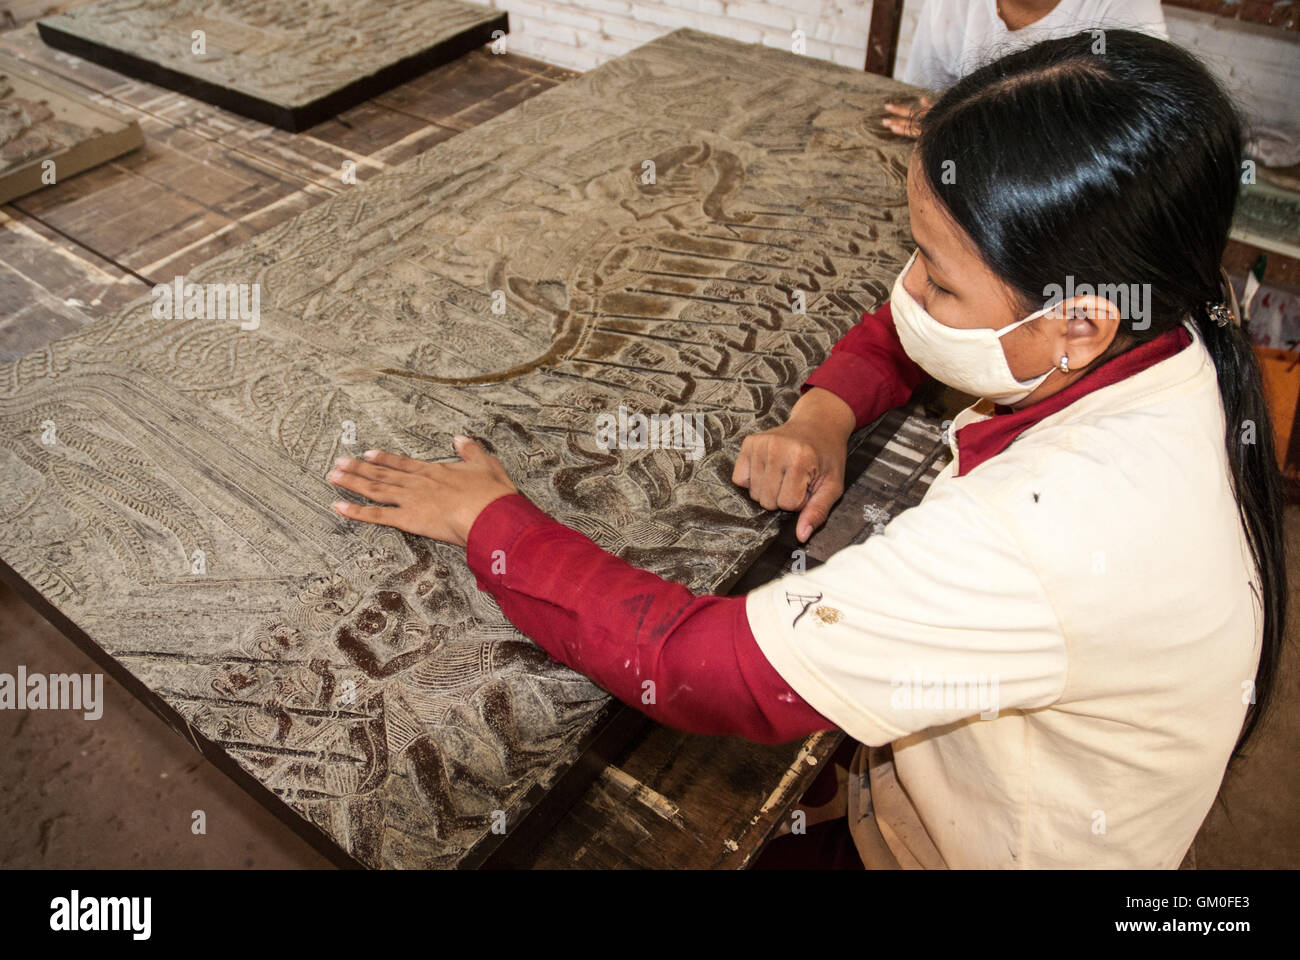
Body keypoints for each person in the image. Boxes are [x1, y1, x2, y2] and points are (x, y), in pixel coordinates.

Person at [326, 30, 1285, 869]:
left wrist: (492, 522)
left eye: (939, 279)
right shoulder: (1165, 314)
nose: (907, 290)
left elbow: (709, 669)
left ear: (1076, 323)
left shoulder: (1049, 535)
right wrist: (825, 414)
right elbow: (912, 324)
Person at [883, 0, 1167, 136]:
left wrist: (973, 132)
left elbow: (1137, 140)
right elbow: (930, 99)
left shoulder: (1126, 10)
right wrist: (943, 122)